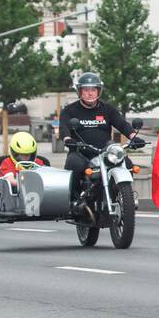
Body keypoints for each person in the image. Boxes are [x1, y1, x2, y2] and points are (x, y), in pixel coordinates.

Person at [59, 71, 145, 212]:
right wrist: (67, 139)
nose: (90, 93)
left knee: (127, 163)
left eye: (93, 89)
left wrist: (133, 137)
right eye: (86, 90)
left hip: (105, 152)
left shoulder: (107, 109)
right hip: (82, 152)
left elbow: (122, 124)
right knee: (74, 164)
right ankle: (74, 200)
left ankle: (124, 196)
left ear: (99, 91)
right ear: (79, 91)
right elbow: (64, 127)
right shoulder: (70, 110)